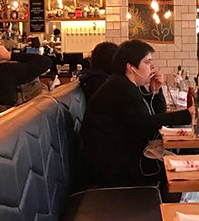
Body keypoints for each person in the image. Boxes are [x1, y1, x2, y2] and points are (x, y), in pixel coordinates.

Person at [81, 39, 191, 188]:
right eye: (147, 62)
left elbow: (154, 117)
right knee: (179, 171)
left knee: (178, 165)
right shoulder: (119, 88)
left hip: (120, 160)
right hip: (113, 170)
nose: (152, 67)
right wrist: (189, 115)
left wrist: (156, 91)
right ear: (131, 67)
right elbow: (147, 125)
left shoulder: (125, 84)